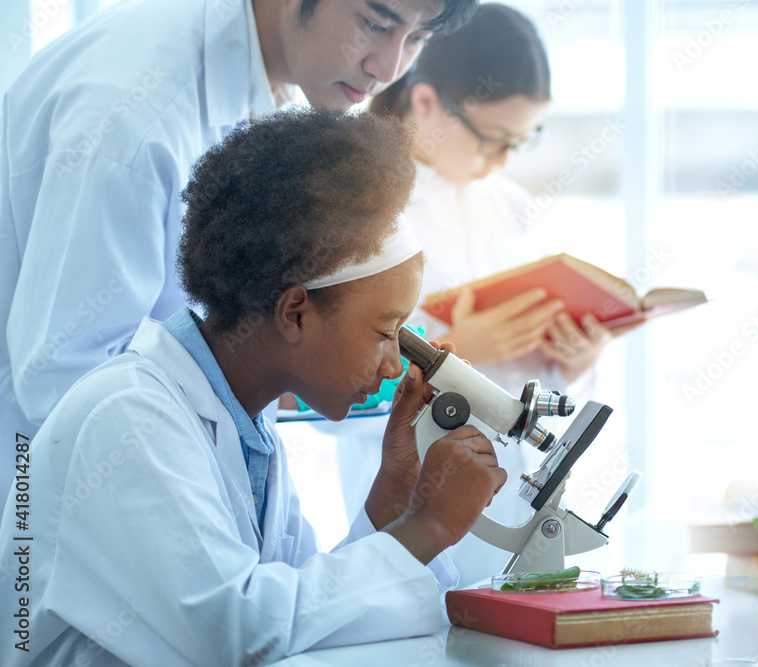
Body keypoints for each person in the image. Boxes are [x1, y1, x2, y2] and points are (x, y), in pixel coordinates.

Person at [0, 108, 506, 665]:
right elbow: (235, 637)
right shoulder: (130, 416)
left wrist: (393, 500)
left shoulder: (247, 429)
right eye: (386, 332)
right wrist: (429, 526)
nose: (393, 367)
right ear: (294, 313)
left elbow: (303, 617)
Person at [0, 0, 478, 500]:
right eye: (375, 23)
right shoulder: (135, 118)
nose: (388, 67)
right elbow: (69, 391)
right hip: (59, 514)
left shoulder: (269, 86)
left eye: (419, 37)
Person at [332, 4, 619, 586]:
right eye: (493, 138)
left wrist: (576, 361)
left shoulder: (509, 207)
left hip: (516, 493)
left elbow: (534, 381)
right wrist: (457, 349)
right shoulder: (365, 212)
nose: (505, 160)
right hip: (409, 496)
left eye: (522, 139)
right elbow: (328, 385)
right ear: (427, 103)